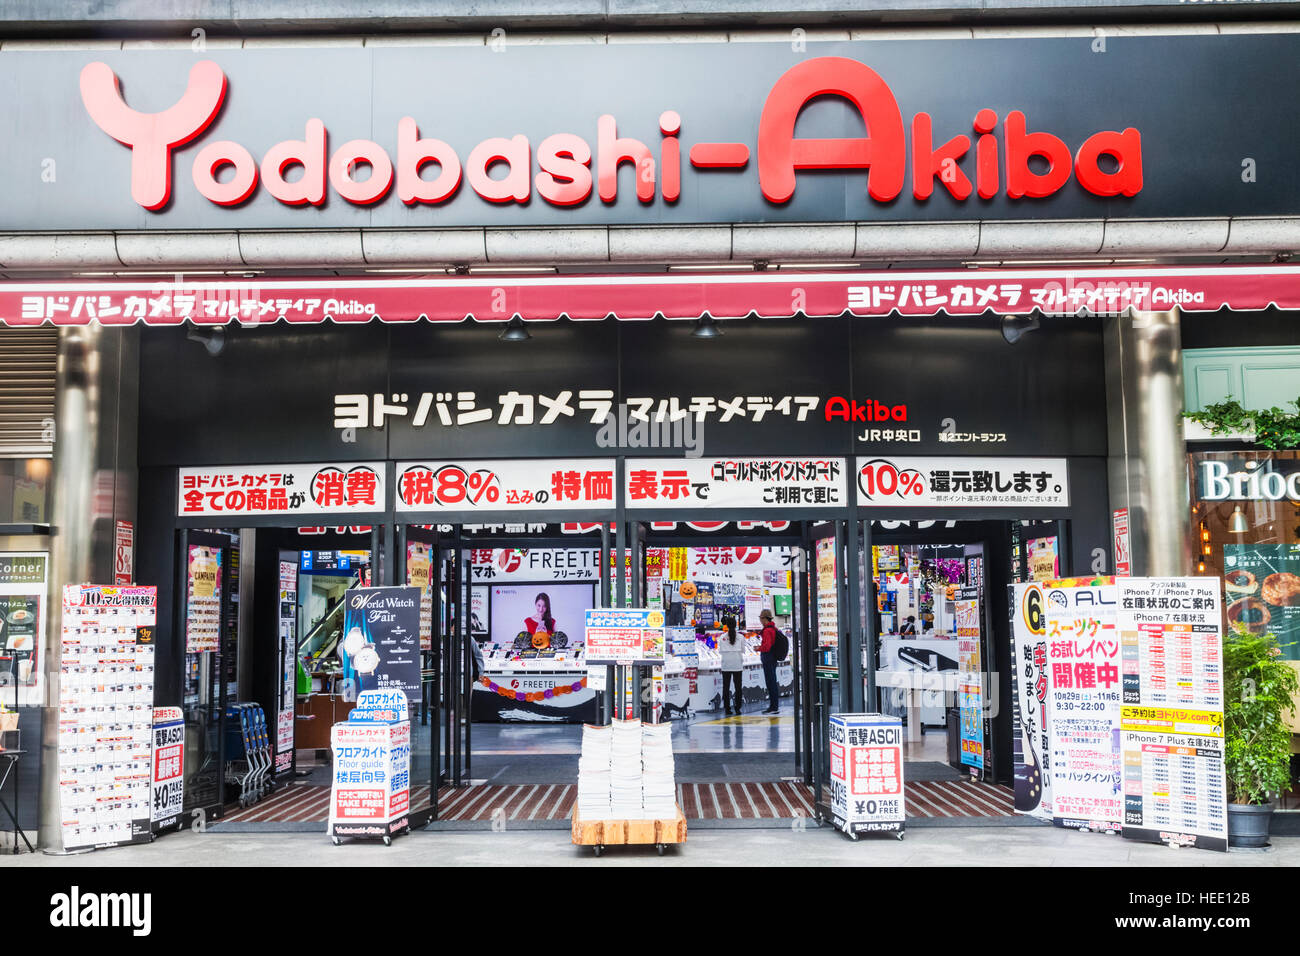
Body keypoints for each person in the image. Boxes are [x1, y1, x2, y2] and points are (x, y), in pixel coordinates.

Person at [718, 614, 745, 716]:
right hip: (737, 663)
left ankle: (727, 708)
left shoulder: (722, 637)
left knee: (726, 687)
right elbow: (743, 650)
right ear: (736, 625)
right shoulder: (741, 637)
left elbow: (720, 651)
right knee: (738, 687)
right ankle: (738, 708)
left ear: (726, 625)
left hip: (726, 664)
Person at [757, 609, 781, 715]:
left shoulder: (767, 631)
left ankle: (774, 707)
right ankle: (774, 706)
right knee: (772, 682)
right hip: (773, 658)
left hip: (768, 658)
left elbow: (767, 647)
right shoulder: (774, 628)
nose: (760, 621)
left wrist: (758, 648)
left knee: (771, 683)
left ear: (764, 619)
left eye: (761, 618)